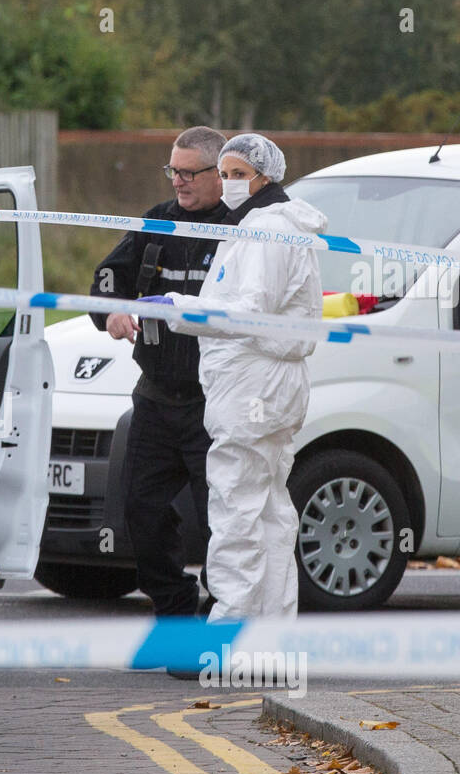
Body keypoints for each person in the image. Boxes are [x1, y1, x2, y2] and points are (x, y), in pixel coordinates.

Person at [163, 132, 327, 621]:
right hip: (268, 384)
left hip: (254, 386)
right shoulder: (265, 225)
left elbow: (247, 312)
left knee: (237, 509)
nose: (231, 184)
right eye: (226, 173)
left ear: (265, 176)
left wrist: (178, 307)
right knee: (269, 513)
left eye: (239, 175)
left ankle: (230, 635)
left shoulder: (266, 231)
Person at [88, 126, 229, 616]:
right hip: (155, 399)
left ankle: (223, 619)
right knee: (141, 512)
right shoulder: (157, 223)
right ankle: (174, 611)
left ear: (220, 175)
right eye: (174, 170)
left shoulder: (240, 230)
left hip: (216, 405)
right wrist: (112, 311)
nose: (179, 182)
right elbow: (107, 279)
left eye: (191, 173)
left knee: (223, 522)